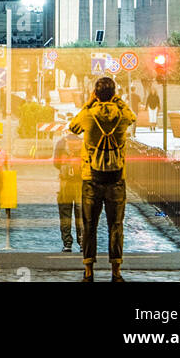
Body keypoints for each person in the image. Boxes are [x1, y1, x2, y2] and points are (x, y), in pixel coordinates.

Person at [69, 76, 136, 282]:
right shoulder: (121, 115)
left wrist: (89, 102)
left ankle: (89, 272)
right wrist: (118, 100)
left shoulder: (89, 115)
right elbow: (132, 116)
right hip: (116, 179)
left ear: (96, 94)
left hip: (91, 178)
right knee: (116, 225)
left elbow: (73, 127)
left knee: (89, 225)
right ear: (114, 94)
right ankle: (116, 272)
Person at [53, 126, 84, 252]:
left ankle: (67, 243)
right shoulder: (83, 144)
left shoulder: (61, 143)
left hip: (65, 183)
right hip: (80, 183)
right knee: (81, 214)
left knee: (65, 213)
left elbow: (56, 163)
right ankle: (82, 242)